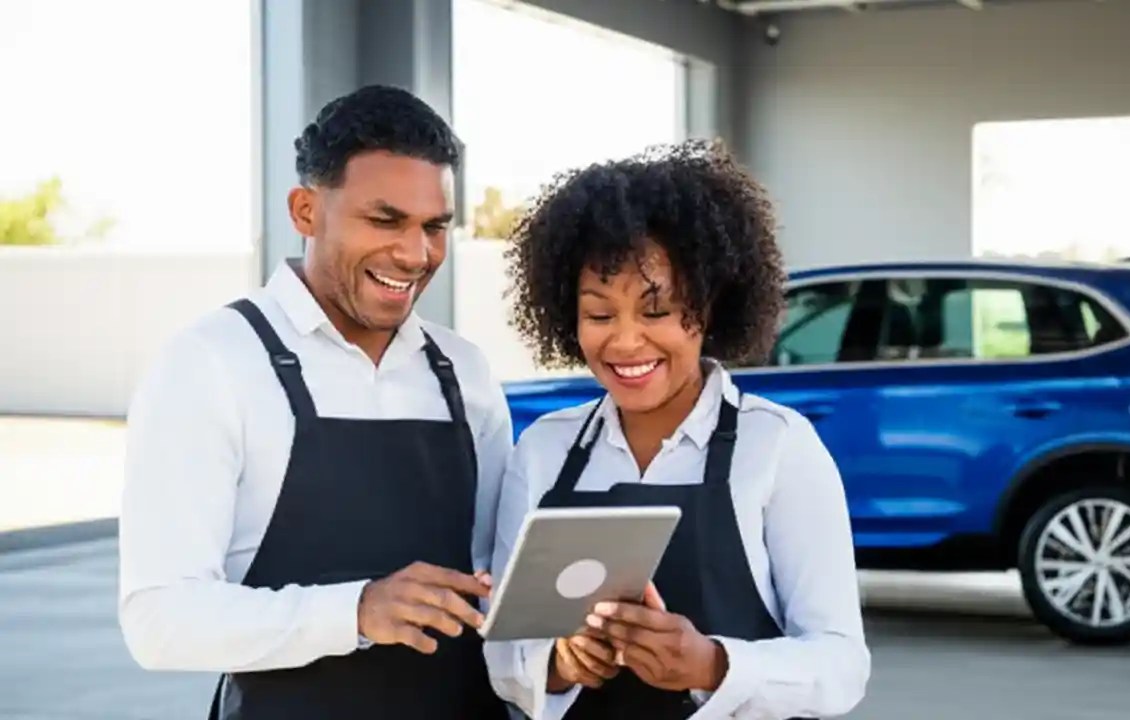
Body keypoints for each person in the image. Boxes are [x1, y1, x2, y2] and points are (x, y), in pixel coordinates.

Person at [117, 85, 513, 719]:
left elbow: (498, 578)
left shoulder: (462, 370)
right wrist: (357, 610)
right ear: (305, 210)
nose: (415, 255)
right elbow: (159, 617)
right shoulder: (211, 362)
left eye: (434, 227)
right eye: (385, 220)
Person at [484, 139, 871, 719]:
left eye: (656, 310)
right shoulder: (544, 450)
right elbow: (506, 654)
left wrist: (710, 665)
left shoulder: (777, 448)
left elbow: (841, 668)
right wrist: (563, 662)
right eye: (599, 314)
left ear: (709, 306)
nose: (626, 340)